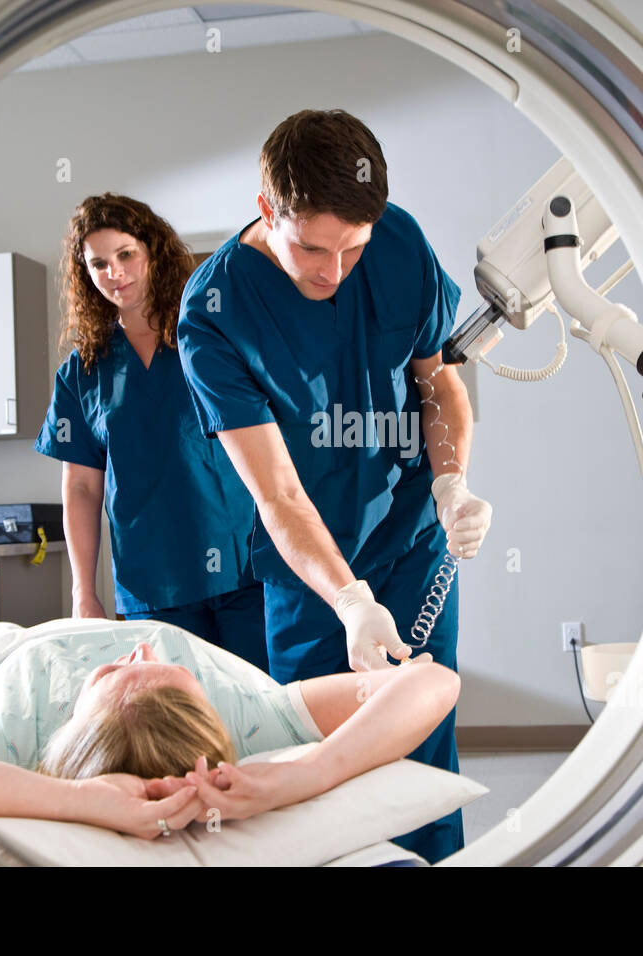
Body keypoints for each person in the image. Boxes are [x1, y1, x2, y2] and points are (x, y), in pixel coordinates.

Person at [175, 109, 493, 862]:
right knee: (311, 769)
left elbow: (437, 385)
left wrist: (451, 484)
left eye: (354, 248)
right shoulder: (213, 314)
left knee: (420, 746)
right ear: (267, 212)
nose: (335, 272)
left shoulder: (402, 243)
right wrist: (349, 599)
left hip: (413, 547)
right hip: (312, 580)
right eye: (313, 248)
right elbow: (278, 495)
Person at [0, 623, 459, 839]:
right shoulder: (245, 714)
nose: (135, 645)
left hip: (19, 643)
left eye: (118, 670)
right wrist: (306, 773)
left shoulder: (11, 736)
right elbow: (432, 681)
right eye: (164, 668)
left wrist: (74, 799)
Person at [35, 193, 268, 670]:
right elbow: (80, 488)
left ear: (153, 252)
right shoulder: (82, 373)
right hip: (153, 584)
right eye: (99, 264)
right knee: (177, 730)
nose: (114, 273)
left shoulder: (208, 338)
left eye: (125, 254)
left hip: (245, 564)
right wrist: (83, 592)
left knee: (262, 714)